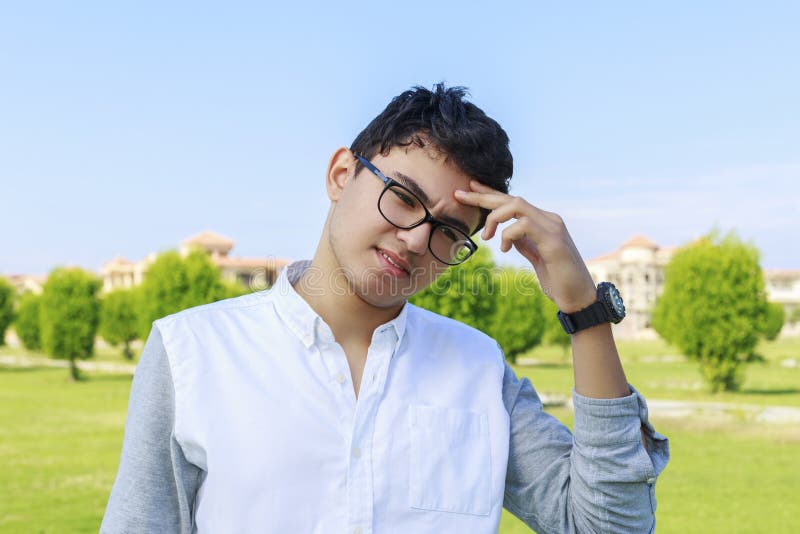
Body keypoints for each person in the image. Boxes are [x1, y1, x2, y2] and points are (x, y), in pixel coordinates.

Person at [101, 84, 669, 533]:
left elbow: (607, 526)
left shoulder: (478, 369)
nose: (418, 240)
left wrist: (585, 311)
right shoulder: (191, 353)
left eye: (448, 231)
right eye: (403, 197)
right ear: (340, 175)